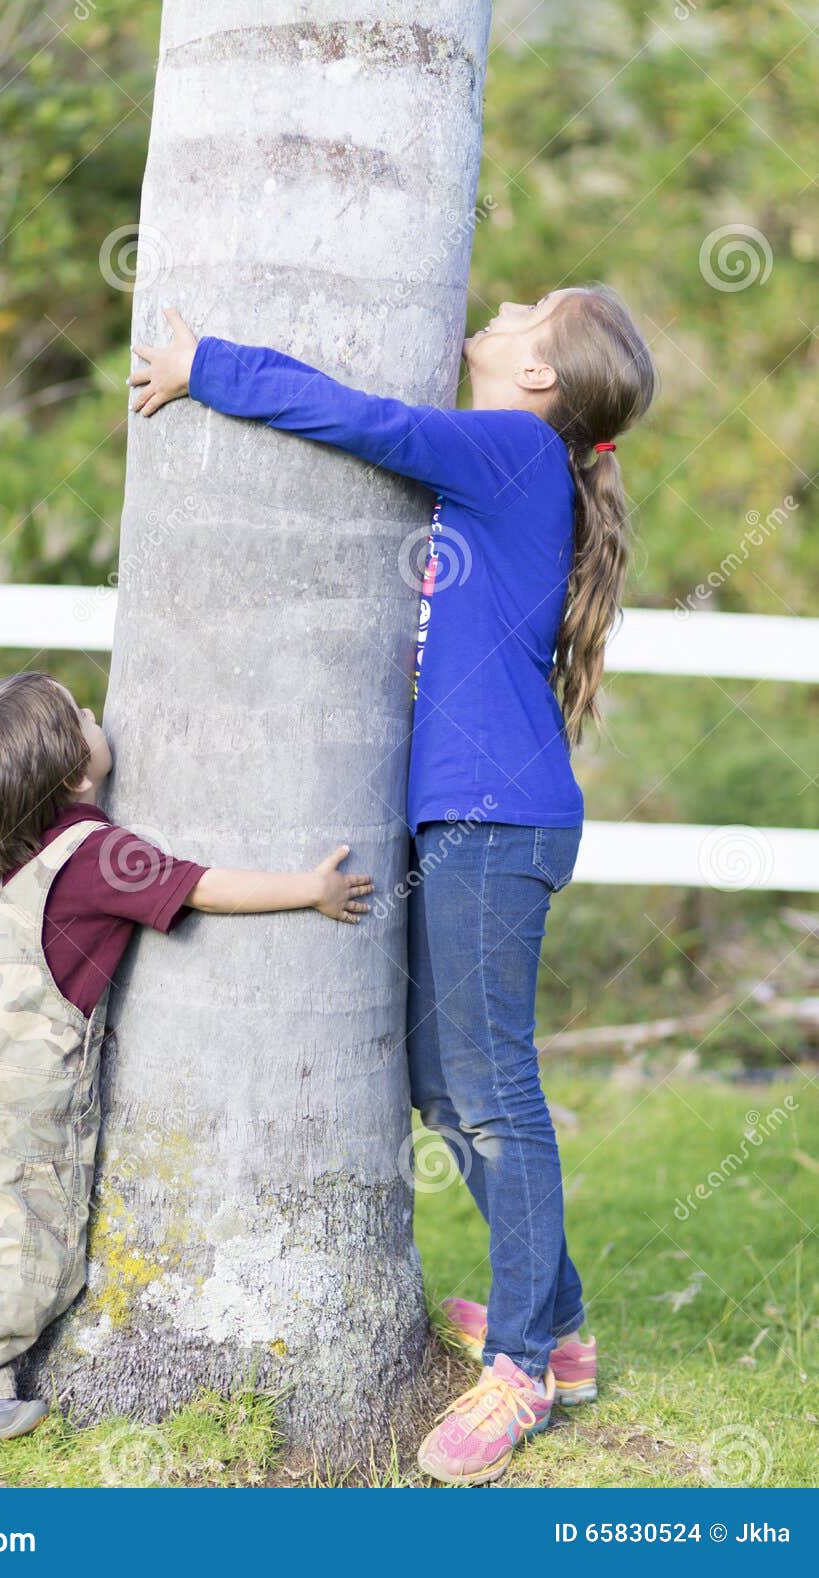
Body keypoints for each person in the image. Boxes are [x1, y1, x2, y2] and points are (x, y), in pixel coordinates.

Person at [128, 287, 656, 1484]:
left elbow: (368, 423)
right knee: (437, 1079)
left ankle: (521, 1367)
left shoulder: (515, 447)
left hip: (493, 816)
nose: (508, 302)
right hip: (466, 817)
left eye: (535, 309)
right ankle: (559, 1326)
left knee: (491, 1089)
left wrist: (208, 361)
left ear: (541, 379)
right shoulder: (519, 458)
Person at [0, 671, 371, 1442]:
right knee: (29, 1243)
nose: (93, 710)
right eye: (79, 714)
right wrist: (308, 887)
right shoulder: (99, 853)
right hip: (22, 1093)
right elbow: (204, 887)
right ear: (74, 774)